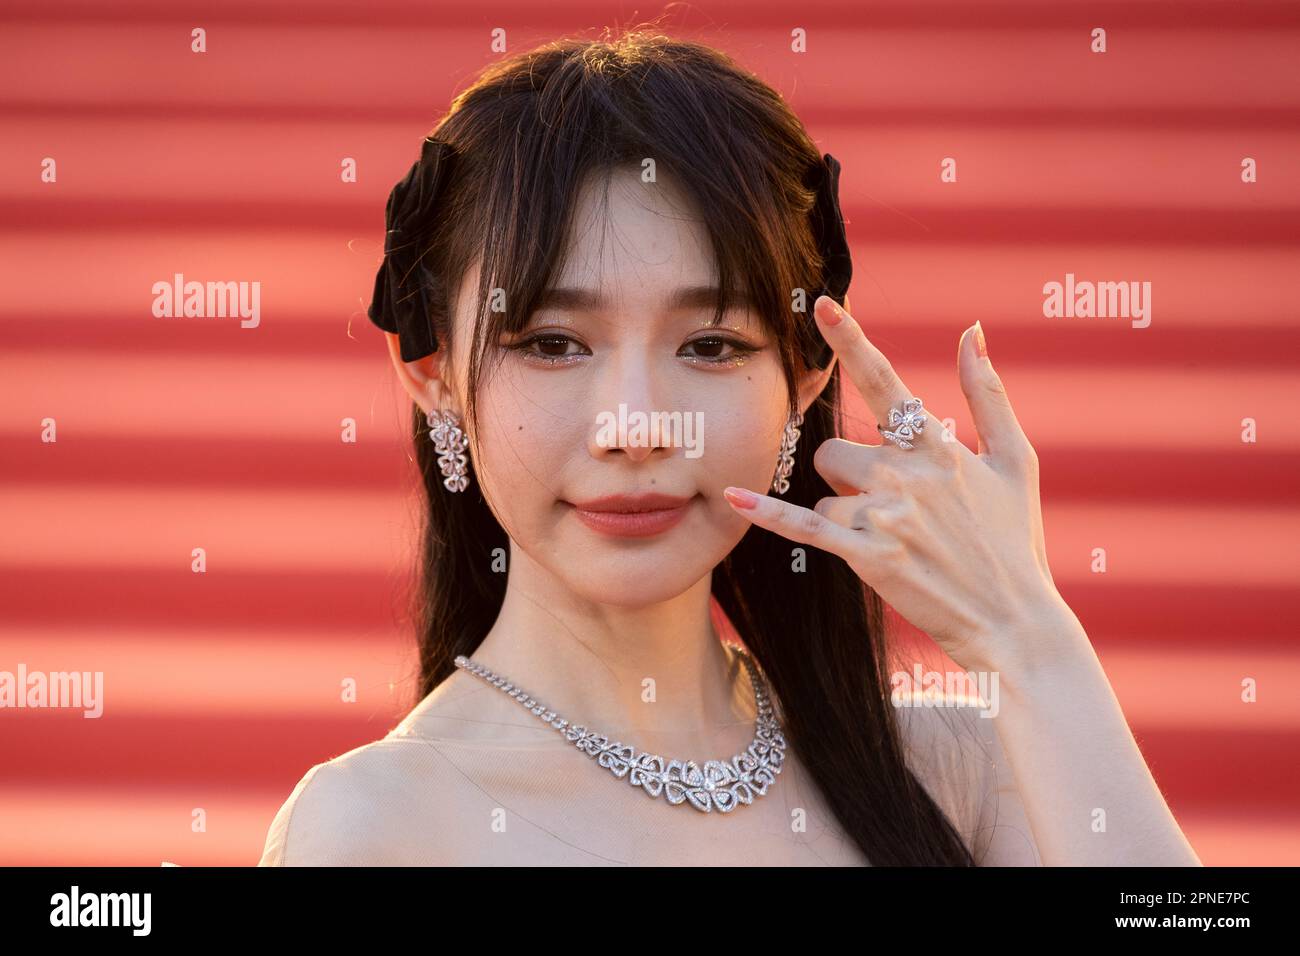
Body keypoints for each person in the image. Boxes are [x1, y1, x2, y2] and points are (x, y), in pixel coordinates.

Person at [258, 29, 1200, 866]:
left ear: (804, 374)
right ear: (432, 375)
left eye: (711, 346)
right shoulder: (376, 827)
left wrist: (1030, 640)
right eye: (553, 343)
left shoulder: (960, 772)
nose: (634, 427)